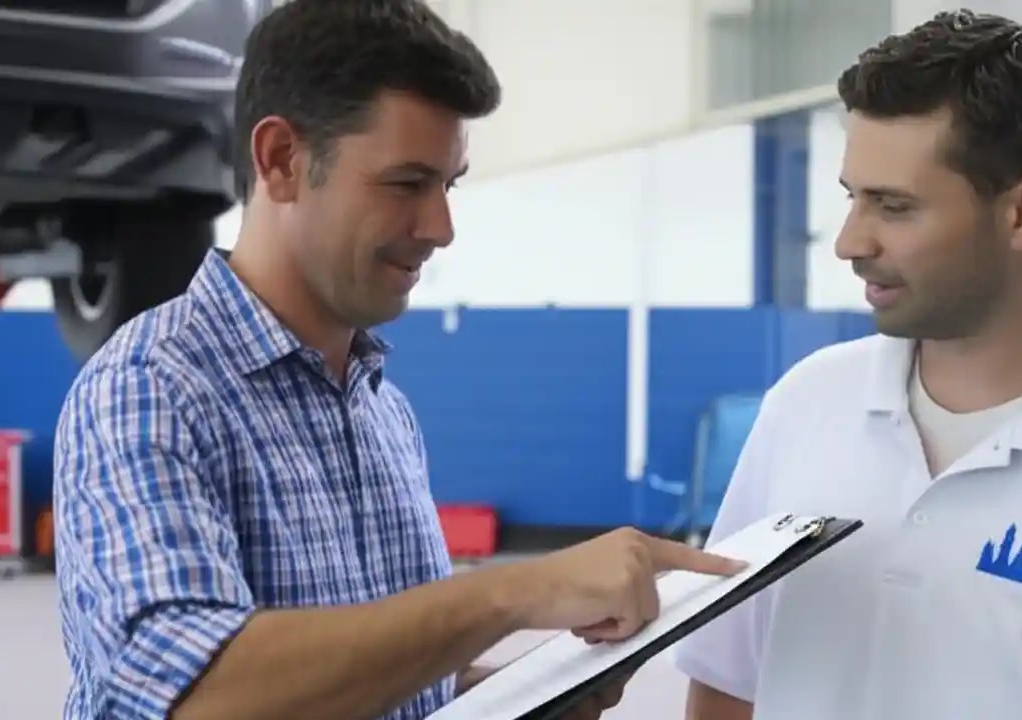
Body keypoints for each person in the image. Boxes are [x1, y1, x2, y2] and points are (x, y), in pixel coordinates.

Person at [51, 2, 744, 719]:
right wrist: (515, 592)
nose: (441, 227)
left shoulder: (381, 408)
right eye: (407, 184)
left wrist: (518, 694)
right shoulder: (148, 390)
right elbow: (197, 696)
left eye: (450, 184)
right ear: (281, 159)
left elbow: (374, 680)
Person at [675, 10, 1022, 720]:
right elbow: (728, 687)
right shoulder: (805, 407)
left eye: (895, 206)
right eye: (853, 198)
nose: (850, 242)